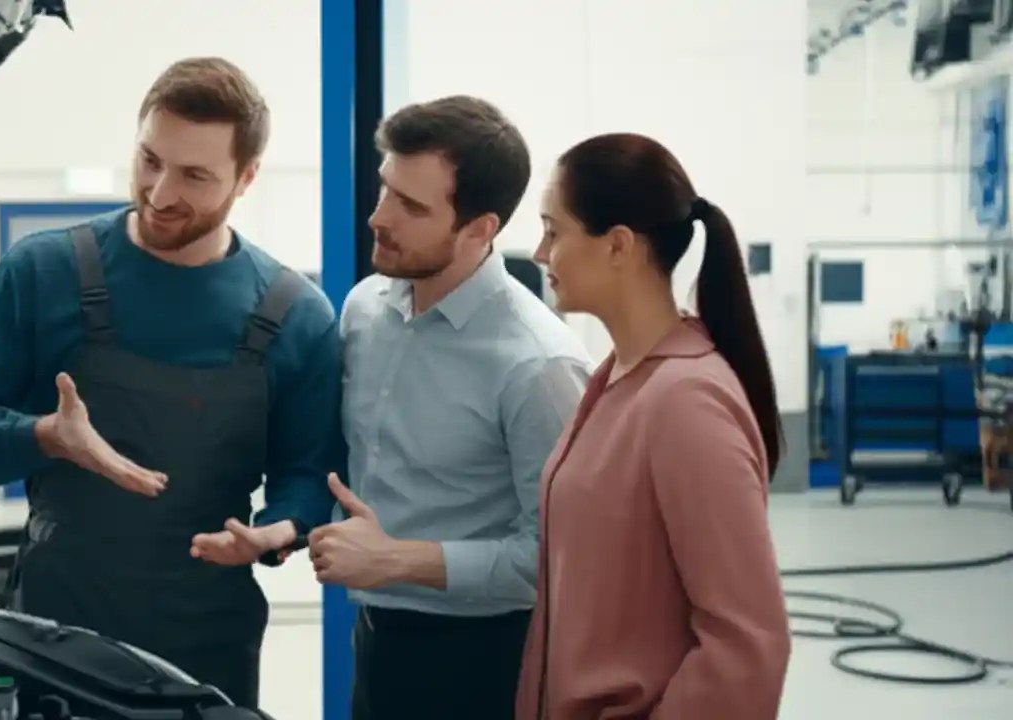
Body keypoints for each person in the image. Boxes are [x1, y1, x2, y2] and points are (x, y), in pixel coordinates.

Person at [0, 57, 342, 709]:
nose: (159, 191)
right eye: (150, 160)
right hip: (53, 638)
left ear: (247, 177)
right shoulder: (41, 272)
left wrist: (277, 532)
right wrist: (45, 437)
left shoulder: (296, 316)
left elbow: (310, 471)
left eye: (195, 176)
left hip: (207, 649)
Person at [304, 96, 593, 720]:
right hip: (379, 643)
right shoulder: (365, 307)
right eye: (386, 190)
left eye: (411, 207)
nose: (379, 218)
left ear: (480, 228)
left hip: (485, 662)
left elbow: (559, 557)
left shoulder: (538, 365)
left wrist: (396, 559)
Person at [515, 132, 792, 720]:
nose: (541, 253)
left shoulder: (687, 403)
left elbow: (747, 647)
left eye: (553, 231)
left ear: (617, 245)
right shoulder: (616, 377)